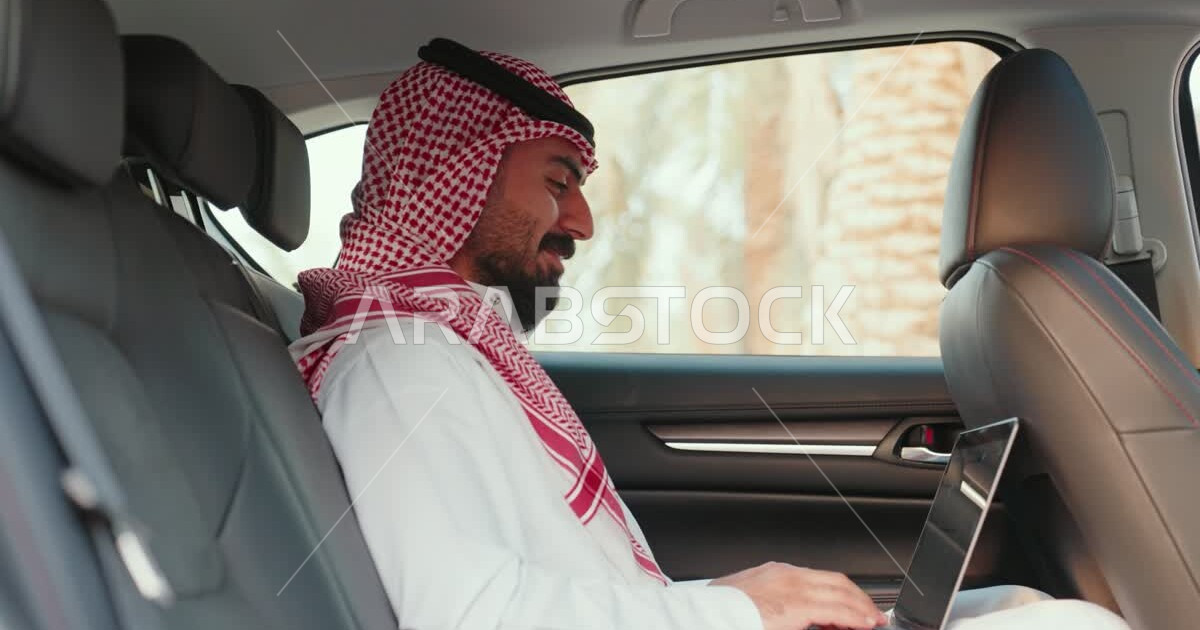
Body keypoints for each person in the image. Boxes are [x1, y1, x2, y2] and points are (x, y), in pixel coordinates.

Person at [290, 39, 1131, 630]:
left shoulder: (440, 351)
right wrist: (738, 610)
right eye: (558, 181)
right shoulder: (397, 365)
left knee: (1021, 607)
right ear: (451, 175)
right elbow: (471, 616)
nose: (580, 219)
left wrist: (731, 598)